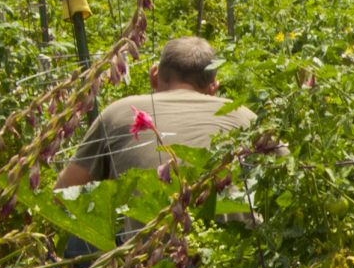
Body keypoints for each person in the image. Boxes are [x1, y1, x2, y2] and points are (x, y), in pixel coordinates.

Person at [57, 36, 255, 186]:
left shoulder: (117, 112)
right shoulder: (247, 118)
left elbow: (63, 194)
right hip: (238, 231)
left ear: (154, 75)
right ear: (214, 88)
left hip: (153, 230)